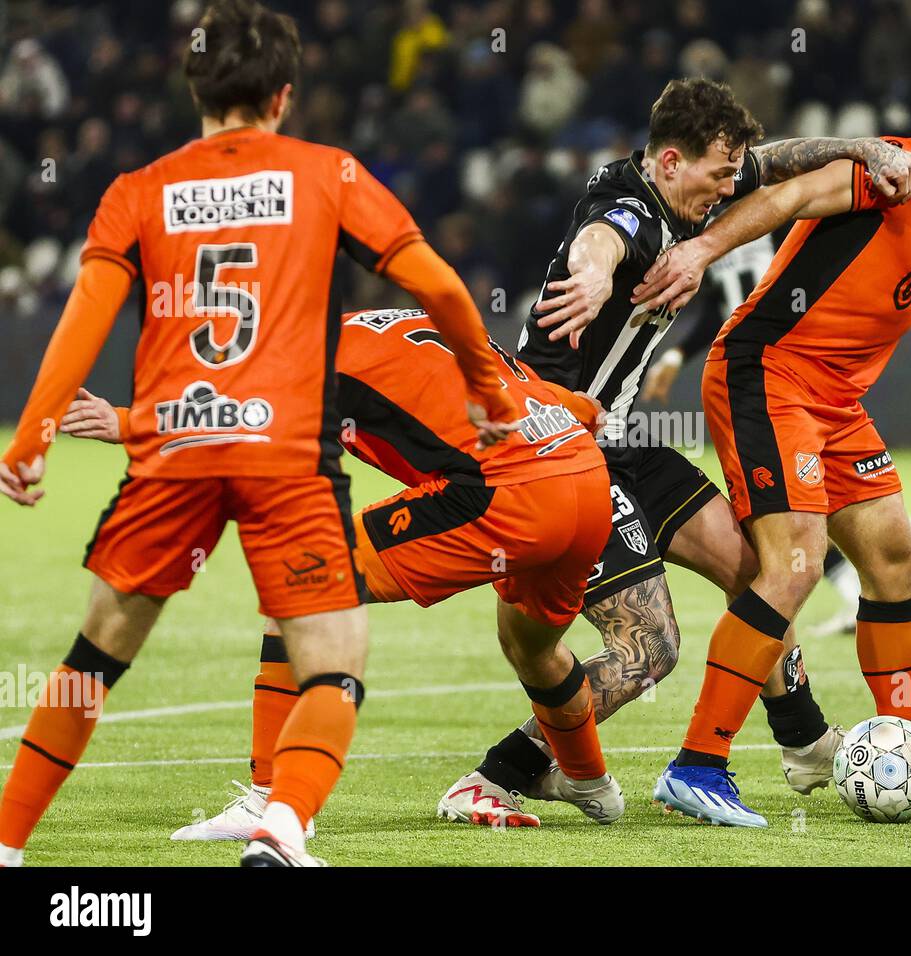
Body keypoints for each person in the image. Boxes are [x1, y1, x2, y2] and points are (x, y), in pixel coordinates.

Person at [0, 0, 514, 868]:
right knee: (335, 663)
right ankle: (282, 826)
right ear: (282, 96)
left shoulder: (138, 192)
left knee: (94, 654)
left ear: (193, 84)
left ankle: (9, 844)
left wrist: (30, 439)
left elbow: (81, 324)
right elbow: (444, 289)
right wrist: (485, 386)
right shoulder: (328, 174)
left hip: (173, 452)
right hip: (287, 457)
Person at [434, 77, 911, 825]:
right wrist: (594, 275)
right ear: (670, 161)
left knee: (762, 576)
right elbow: (601, 240)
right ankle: (501, 773)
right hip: (561, 449)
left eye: (733, 174)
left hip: (625, 437)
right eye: (718, 175)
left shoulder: (686, 192)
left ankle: (802, 740)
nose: (730, 188)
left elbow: (780, 160)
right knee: (651, 649)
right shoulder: (629, 211)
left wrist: (861, 148)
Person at [631, 85, 911, 826]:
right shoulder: (904, 174)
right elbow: (791, 195)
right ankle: (697, 765)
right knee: (795, 564)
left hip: (834, 399)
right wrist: (700, 248)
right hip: (766, 370)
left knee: (896, 559)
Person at [62, 308, 622, 838]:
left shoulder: (318, 351)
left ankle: (271, 800)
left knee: (301, 576)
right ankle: (586, 778)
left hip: (508, 495)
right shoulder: (405, 319)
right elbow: (561, 402)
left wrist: (124, 420)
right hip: (584, 480)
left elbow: (242, 418)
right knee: (532, 645)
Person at [641, 231, 911, 636]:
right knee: (797, 514)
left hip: (792, 367)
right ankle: (863, 587)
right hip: (753, 368)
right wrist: (676, 354)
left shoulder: (773, 203)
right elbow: (722, 301)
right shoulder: (715, 221)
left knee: (796, 513)